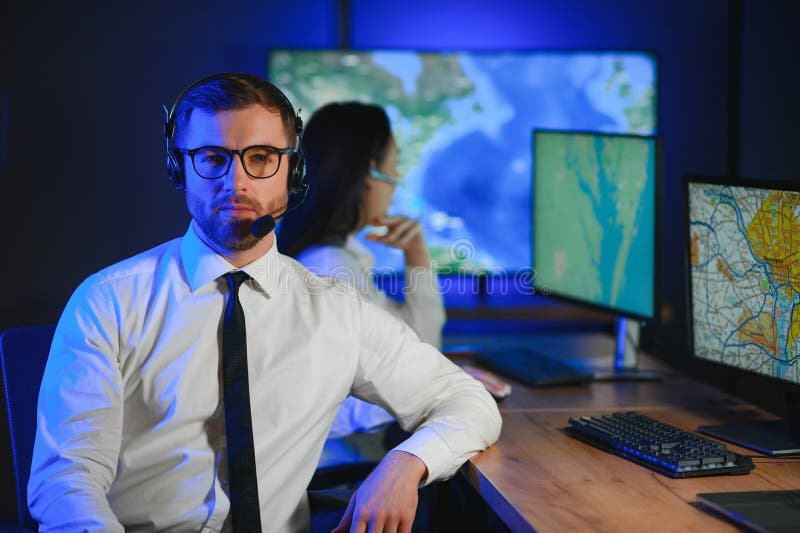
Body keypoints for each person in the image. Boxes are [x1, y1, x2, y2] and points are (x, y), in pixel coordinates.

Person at [27, 73, 502, 532]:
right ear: (178, 166)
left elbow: (467, 401)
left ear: (293, 172)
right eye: (212, 157)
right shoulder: (109, 302)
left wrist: (406, 463)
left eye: (261, 157)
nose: (237, 181)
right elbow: (67, 479)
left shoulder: (335, 309)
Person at [279, 102, 510, 447]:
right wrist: (436, 388)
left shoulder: (345, 257)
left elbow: (419, 347)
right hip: (342, 458)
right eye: (395, 164)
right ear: (370, 173)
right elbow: (331, 411)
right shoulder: (329, 269)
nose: (397, 178)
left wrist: (416, 255)